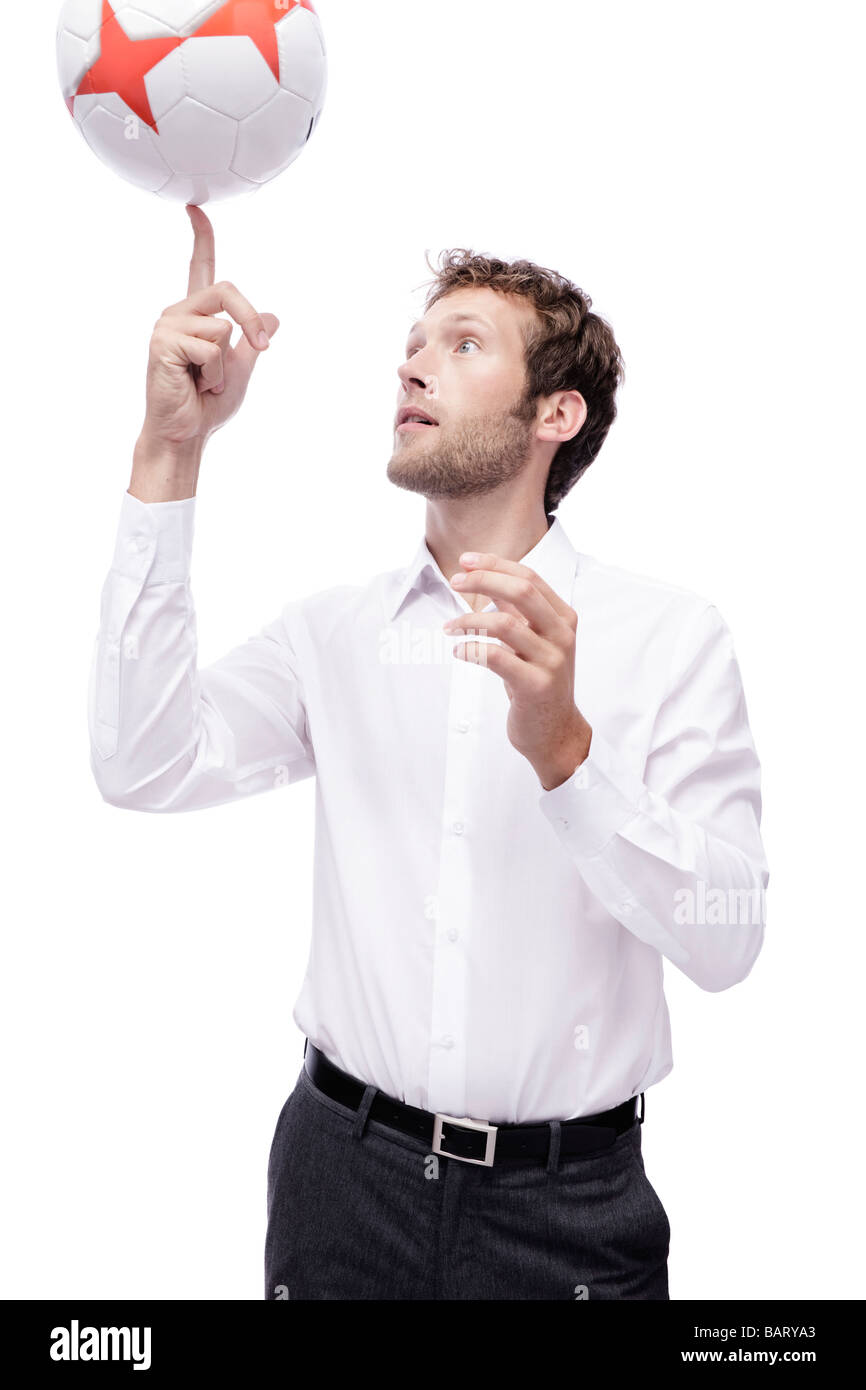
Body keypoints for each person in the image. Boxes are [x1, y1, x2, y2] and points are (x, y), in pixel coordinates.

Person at [88, 204, 769, 1301]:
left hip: (567, 1219)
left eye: (462, 343)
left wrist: (566, 757)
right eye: (413, 344)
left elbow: (729, 941)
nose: (413, 364)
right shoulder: (334, 633)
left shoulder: (668, 637)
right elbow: (142, 762)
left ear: (556, 411)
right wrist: (171, 449)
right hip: (339, 1183)